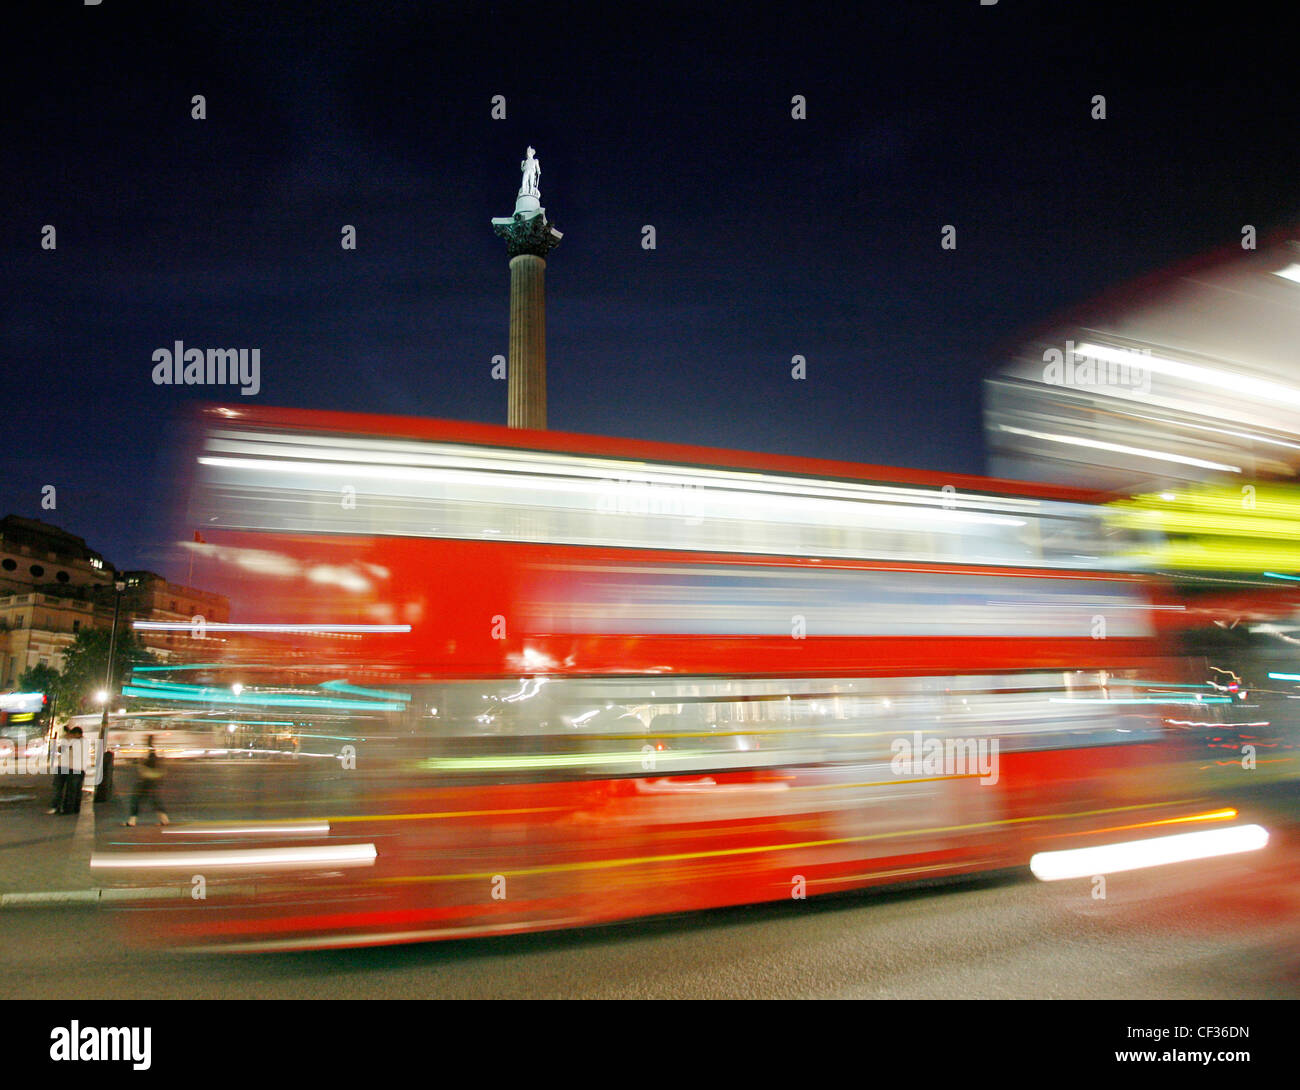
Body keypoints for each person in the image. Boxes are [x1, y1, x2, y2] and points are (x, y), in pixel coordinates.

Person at [126, 735, 169, 826]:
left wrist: (142, 763)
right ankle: (164, 819)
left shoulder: (151, 751)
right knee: (154, 799)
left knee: (136, 799)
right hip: (151, 780)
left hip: (147, 779)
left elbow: (150, 764)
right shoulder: (152, 751)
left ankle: (132, 820)